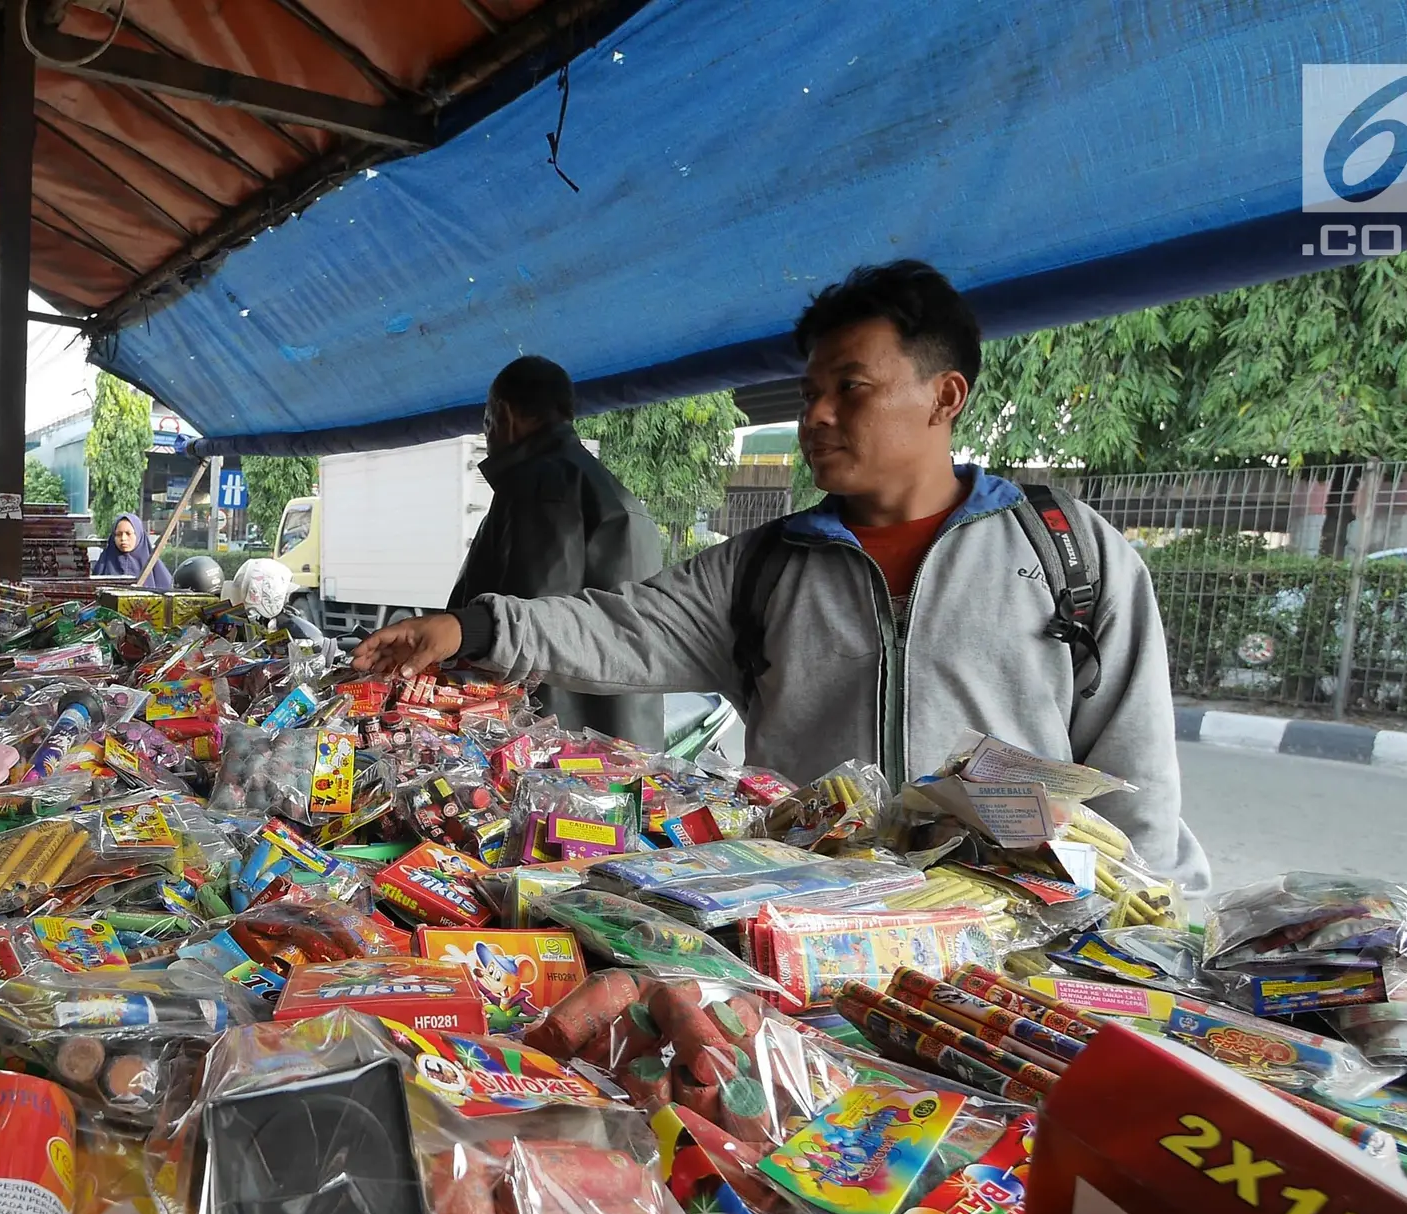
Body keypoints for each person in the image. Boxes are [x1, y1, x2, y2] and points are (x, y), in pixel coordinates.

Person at [357, 261, 1208, 889]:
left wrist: (1143, 941)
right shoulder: (765, 566)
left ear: (945, 397)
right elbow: (618, 626)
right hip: (806, 931)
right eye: (809, 393)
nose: (817, 416)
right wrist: (470, 627)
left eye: (852, 387)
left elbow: (1136, 783)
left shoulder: (1070, 554)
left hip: (1011, 938)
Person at [447, 355, 664, 747]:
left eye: (487, 422)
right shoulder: (614, 493)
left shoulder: (539, 488)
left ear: (503, 413)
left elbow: (521, 629)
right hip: (625, 739)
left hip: (552, 748)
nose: (489, 435)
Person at [93, 511, 173, 589]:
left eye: (128, 534)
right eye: (119, 534)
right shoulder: (103, 565)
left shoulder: (153, 566)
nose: (123, 538)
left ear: (138, 535)